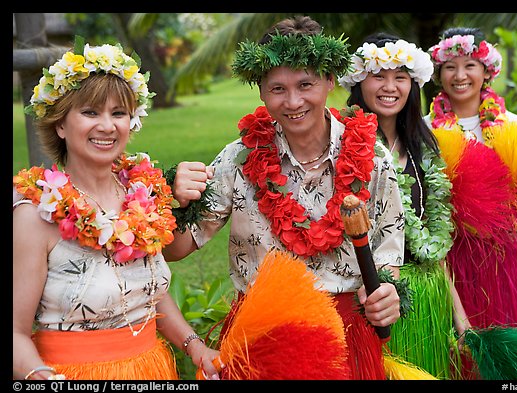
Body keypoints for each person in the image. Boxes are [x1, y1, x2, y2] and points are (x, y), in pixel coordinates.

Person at [164, 16, 405, 380]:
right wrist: (175, 202)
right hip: (262, 335)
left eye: (305, 84)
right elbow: (174, 249)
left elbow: (387, 255)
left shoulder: (372, 157)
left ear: (329, 81)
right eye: (278, 88)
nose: (293, 102)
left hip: (344, 336)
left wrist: (386, 291)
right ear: (261, 91)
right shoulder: (238, 158)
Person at [13, 39, 220, 380]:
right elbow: (17, 334)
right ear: (61, 124)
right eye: (91, 112)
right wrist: (41, 377)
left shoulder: (142, 196)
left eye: (118, 113)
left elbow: (149, 292)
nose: (107, 126)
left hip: (152, 369)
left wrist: (194, 345)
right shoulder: (35, 216)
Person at [422, 27, 517, 376]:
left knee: (514, 356)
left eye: (470, 65)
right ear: (438, 73)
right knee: (460, 359)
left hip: (506, 261)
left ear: (486, 71)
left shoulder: (514, 127)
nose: (460, 75)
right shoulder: (424, 129)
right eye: (450, 67)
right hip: (450, 260)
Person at [339, 32, 470, 379]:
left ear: (414, 84)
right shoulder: (343, 144)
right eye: (378, 75)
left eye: (400, 77)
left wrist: (460, 318)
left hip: (426, 300)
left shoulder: (422, 146)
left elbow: (434, 245)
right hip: (369, 303)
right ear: (359, 81)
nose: (390, 86)